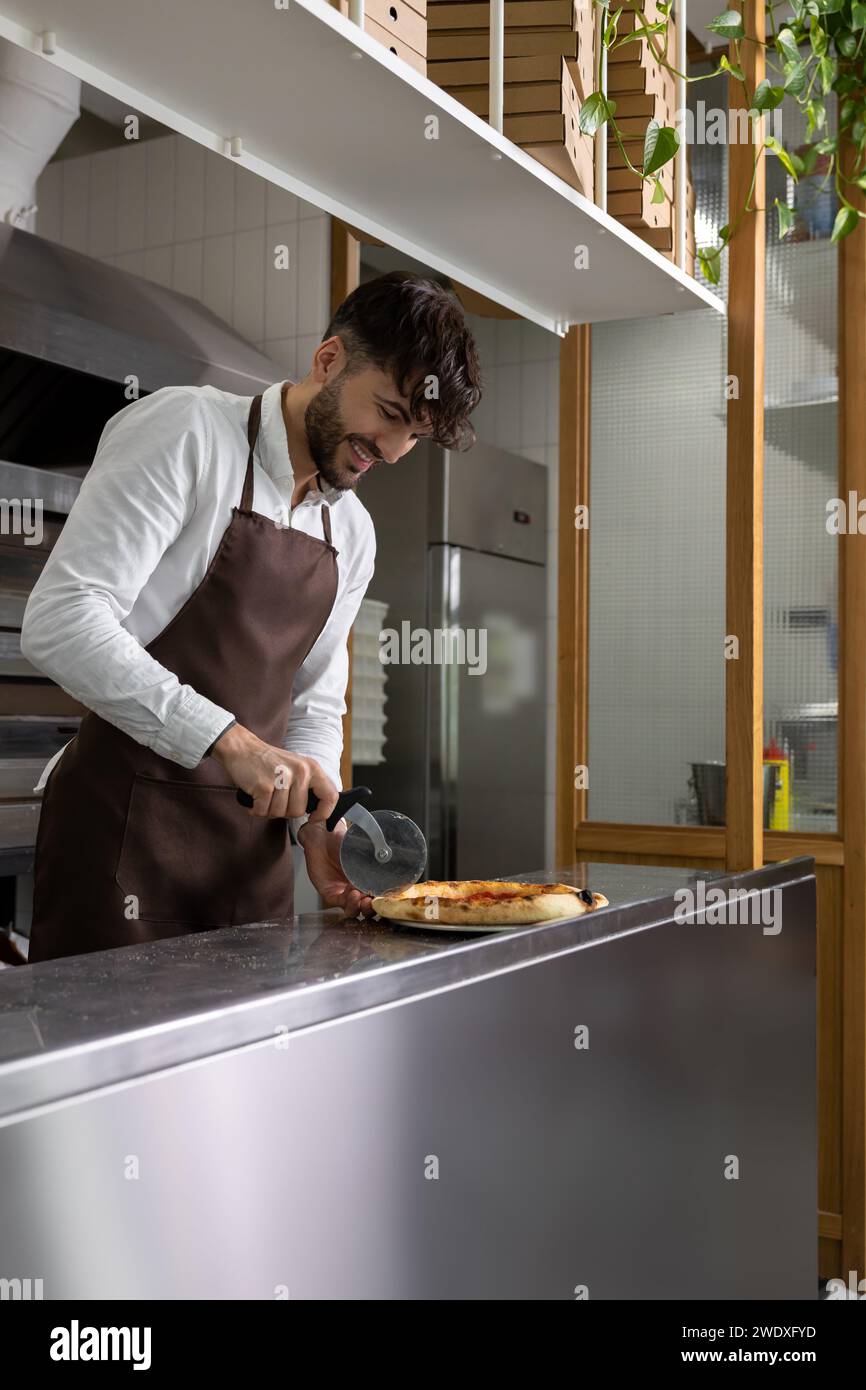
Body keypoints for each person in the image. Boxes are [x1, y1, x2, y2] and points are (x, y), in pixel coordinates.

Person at [22, 270, 482, 961]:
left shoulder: (351, 533)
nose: (389, 451)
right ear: (328, 361)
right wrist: (234, 744)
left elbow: (317, 701)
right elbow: (62, 619)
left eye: (412, 435)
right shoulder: (186, 432)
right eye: (388, 413)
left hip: (248, 864)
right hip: (121, 841)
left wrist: (317, 821)